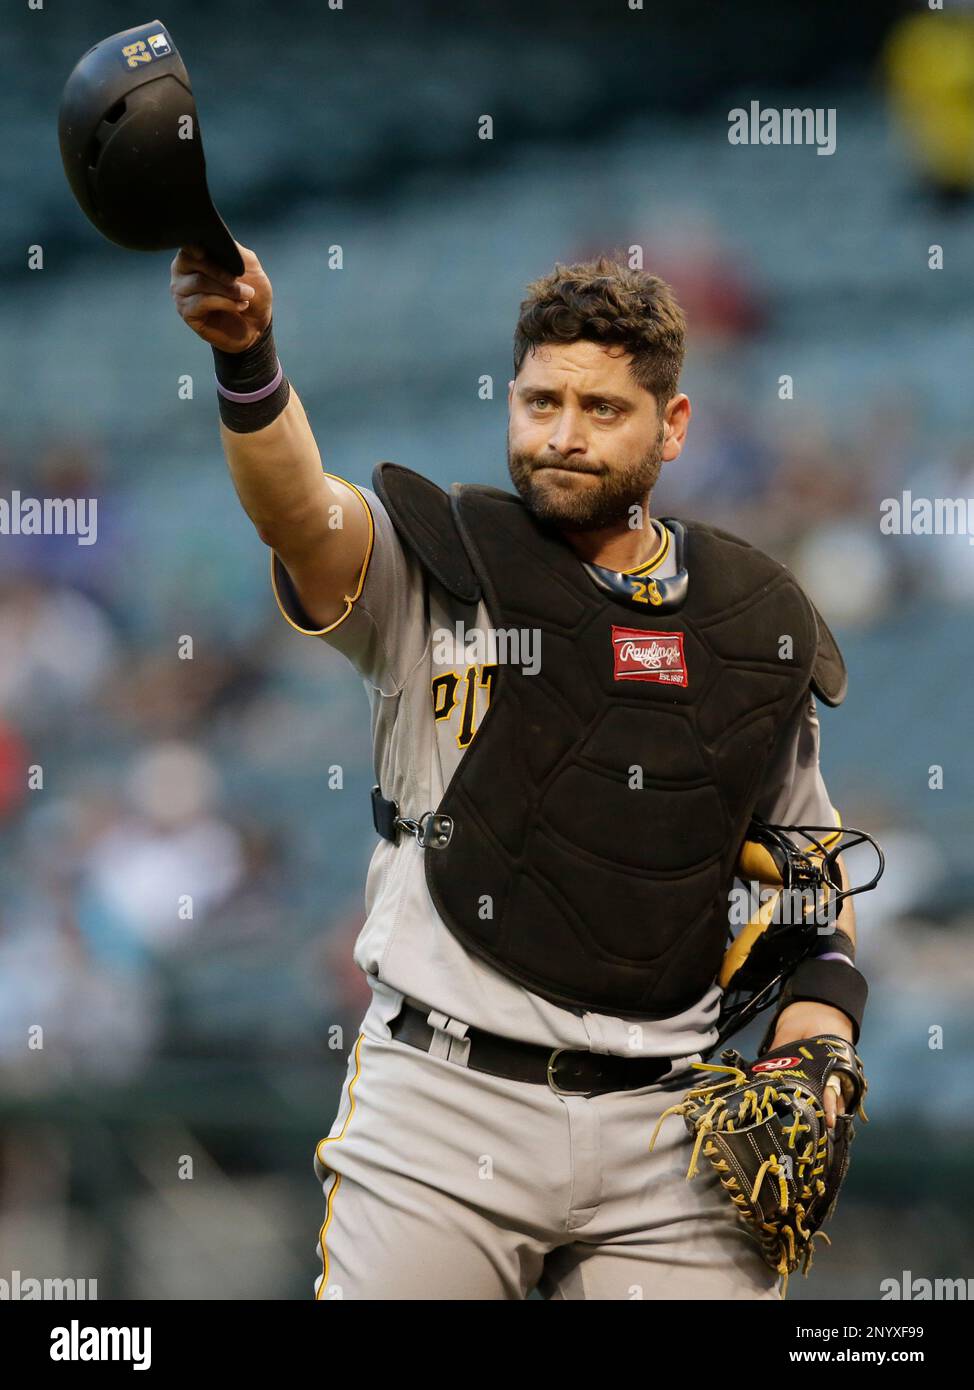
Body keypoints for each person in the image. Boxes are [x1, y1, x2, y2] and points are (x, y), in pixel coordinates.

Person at [170, 246, 864, 1300]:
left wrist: (818, 1029)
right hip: (445, 1113)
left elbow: (812, 881)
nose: (563, 433)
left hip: (667, 1125)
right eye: (541, 399)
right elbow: (297, 511)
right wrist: (246, 356)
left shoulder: (746, 621)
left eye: (601, 407)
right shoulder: (439, 564)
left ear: (670, 427)